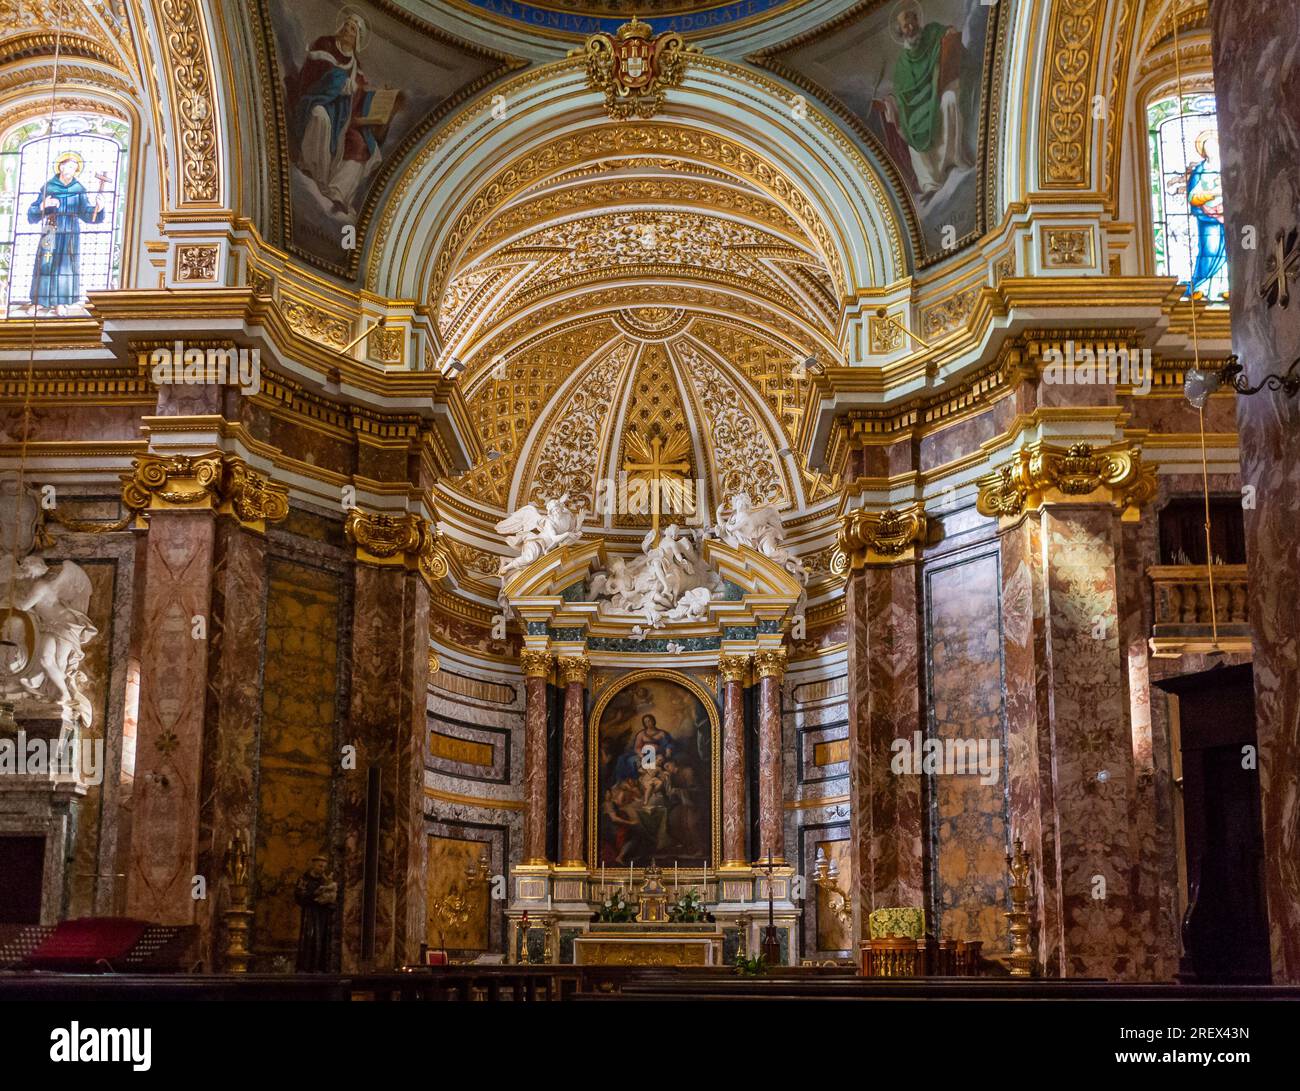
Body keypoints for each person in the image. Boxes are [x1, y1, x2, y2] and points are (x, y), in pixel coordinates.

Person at [286, 6, 392, 217]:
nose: (347, 30)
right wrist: (338, 83)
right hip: (315, 101)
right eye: (346, 25)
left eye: (353, 30)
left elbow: (358, 101)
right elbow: (310, 78)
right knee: (319, 116)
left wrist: (378, 100)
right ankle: (312, 169)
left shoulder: (356, 68)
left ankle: (337, 191)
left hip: (343, 118)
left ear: (357, 40)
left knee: (364, 146)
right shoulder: (324, 46)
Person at [874, 0, 974, 199]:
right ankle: (930, 182)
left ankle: (957, 158)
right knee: (910, 129)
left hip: (939, 91)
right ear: (901, 32)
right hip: (919, 108)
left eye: (912, 21)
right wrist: (889, 103)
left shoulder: (933, 32)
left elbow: (950, 37)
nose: (910, 27)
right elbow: (902, 93)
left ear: (918, 20)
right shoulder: (903, 63)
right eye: (905, 26)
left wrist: (950, 34)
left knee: (950, 99)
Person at [26, 152, 106, 316]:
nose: (71, 170)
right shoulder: (49, 186)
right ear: (61, 166)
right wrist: (44, 205)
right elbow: (32, 212)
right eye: (68, 166)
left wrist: (100, 207)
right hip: (51, 228)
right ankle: (40, 301)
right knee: (45, 262)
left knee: (65, 265)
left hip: (70, 231)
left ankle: (60, 302)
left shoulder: (78, 189)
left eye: (74, 168)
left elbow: (86, 214)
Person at [294, 854, 337, 972]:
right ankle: (306, 967)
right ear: (313, 865)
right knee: (309, 939)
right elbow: (299, 896)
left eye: (324, 867)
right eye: (320, 866)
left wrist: (330, 900)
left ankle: (321, 967)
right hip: (310, 913)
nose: (322, 869)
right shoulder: (304, 879)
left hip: (323, 915)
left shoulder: (325, 880)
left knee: (323, 940)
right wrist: (314, 893)